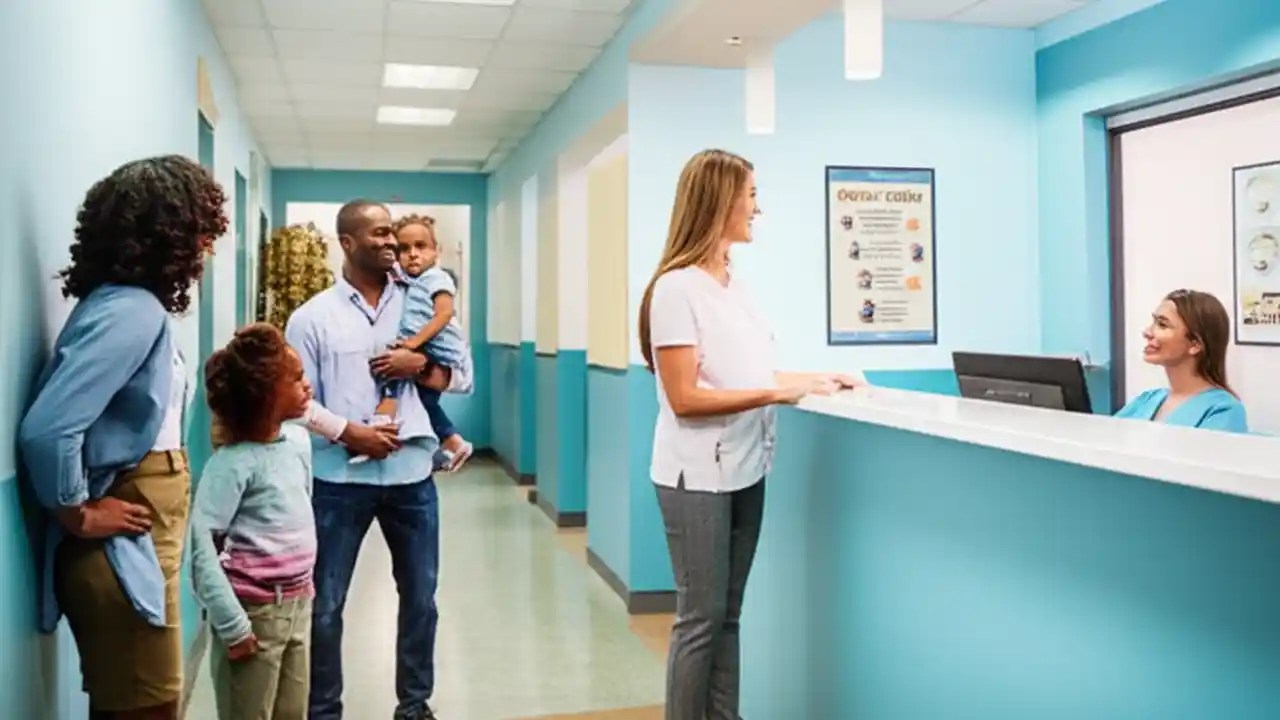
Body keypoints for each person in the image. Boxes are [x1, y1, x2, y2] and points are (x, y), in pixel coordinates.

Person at [636, 149, 856, 720]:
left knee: (727, 616)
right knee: (700, 620)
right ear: (720, 201)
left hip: (745, 467)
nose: (758, 208)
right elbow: (685, 398)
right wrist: (774, 394)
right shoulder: (675, 289)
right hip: (695, 476)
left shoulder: (733, 284)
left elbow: (752, 375)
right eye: (751, 195)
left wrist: (816, 380)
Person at [18, 155, 228, 720]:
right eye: (200, 230)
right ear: (168, 234)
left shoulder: (129, 306)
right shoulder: (131, 311)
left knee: (139, 705)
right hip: (122, 543)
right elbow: (48, 428)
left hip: (141, 539)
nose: (207, 246)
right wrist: (77, 512)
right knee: (147, 708)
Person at [285, 199, 446, 720]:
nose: (390, 242)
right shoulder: (311, 318)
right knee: (325, 606)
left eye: (391, 232)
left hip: (411, 478)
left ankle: (414, 707)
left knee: (421, 601)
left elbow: (457, 376)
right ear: (347, 242)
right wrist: (349, 432)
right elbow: (295, 402)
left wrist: (418, 365)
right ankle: (323, 711)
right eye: (378, 233)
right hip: (337, 482)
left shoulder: (421, 304)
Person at [190, 324, 316, 720]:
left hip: (297, 605)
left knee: (292, 711)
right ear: (265, 395)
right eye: (296, 379)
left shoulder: (297, 444)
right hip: (253, 614)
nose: (307, 385)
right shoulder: (231, 465)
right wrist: (232, 624)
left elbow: (300, 514)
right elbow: (203, 551)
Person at [354, 213, 474, 464]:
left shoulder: (438, 279)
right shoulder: (408, 281)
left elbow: (444, 314)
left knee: (400, 385)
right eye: (404, 249)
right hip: (425, 349)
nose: (413, 254)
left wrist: (413, 344)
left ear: (437, 251)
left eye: (421, 246)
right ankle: (449, 443)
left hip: (439, 350)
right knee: (419, 401)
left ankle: (382, 430)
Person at [1114, 289, 1247, 432]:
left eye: (1162, 325)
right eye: (1154, 323)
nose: (1147, 332)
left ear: (1195, 345)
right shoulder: (1147, 399)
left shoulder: (1223, 410)